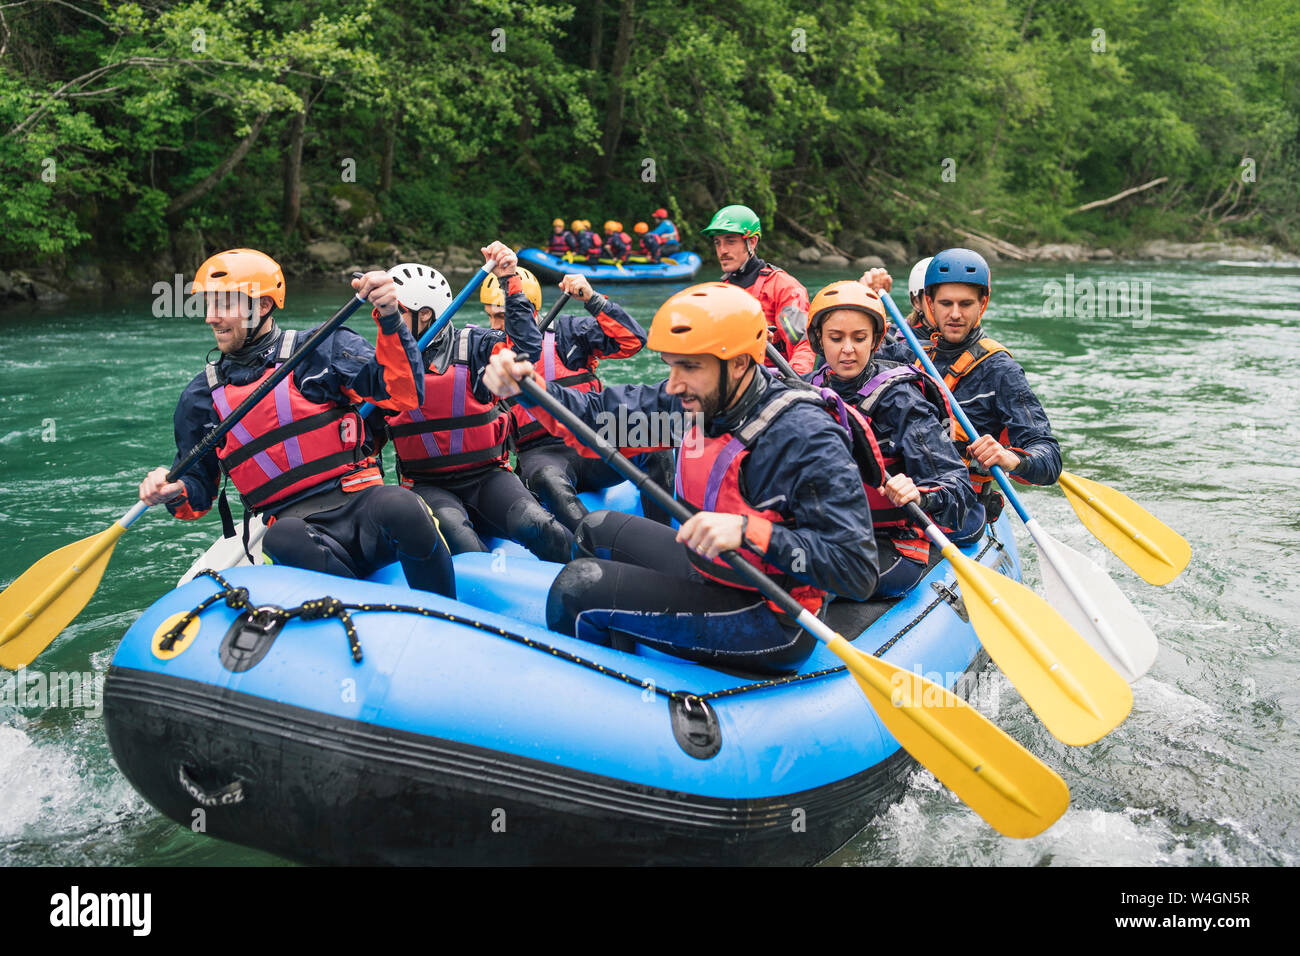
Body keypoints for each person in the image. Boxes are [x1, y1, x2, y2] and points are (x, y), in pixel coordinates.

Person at [481, 282, 878, 676]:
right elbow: (597, 418)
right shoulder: (694, 403)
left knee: (577, 588)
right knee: (595, 528)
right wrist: (528, 388)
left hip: (772, 615)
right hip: (710, 570)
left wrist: (749, 531)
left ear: (739, 363)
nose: (673, 383)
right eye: (672, 364)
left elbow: (856, 570)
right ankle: (626, 658)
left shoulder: (803, 437)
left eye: (690, 366)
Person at [137, 248, 456, 596]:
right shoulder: (201, 398)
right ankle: (364, 615)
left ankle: (447, 615)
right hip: (298, 531)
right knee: (280, 536)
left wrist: (391, 317)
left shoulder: (323, 347)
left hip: (364, 511)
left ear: (261, 306)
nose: (211, 318)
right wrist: (174, 491)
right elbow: (195, 498)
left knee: (403, 504)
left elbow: (404, 394)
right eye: (209, 305)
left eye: (224, 305)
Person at [380, 262, 572, 562]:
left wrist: (510, 280)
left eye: (396, 311)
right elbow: (365, 444)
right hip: (428, 485)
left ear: (425, 313)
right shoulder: (384, 367)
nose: (385, 320)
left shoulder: (477, 347)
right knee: (462, 540)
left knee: (547, 530)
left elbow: (526, 350)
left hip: (488, 478)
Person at [479, 241, 675, 531]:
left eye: (502, 315)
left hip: (593, 439)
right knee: (548, 478)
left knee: (656, 442)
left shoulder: (570, 333)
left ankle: (662, 536)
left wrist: (593, 299)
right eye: (491, 315)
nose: (496, 324)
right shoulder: (484, 350)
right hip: (542, 453)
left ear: (529, 310)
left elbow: (632, 341)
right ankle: (593, 552)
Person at [804, 280, 979, 595]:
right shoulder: (805, 390)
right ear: (818, 339)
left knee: (798, 578)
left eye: (859, 338)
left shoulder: (901, 400)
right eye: (835, 338)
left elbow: (959, 490)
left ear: (875, 340)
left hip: (890, 547)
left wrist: (921, 495)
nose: (847, 349)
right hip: (825, 535)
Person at [918, 248, 1062, 533]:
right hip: (911, 496)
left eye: (966, 304)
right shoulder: (911, 354)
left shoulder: (1001, 371)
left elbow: (1050, 458)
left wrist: (1011, 458)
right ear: (929, 303)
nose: (955, 314)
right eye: (946, 303)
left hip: (962, 509)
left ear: (982, 304)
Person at [701, 203, 815, 375]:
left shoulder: (784, 287)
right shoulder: (719, 293)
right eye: (718, 243)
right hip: (730, 381)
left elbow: (802, 345)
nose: (722, 250)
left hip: (773, 382)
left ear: (752, 242)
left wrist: (794, 384)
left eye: (730, 241)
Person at [876, 256, 938, 364]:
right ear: (916, 302)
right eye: (934, 298)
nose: (954, 313)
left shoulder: (971, 342)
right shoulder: (890, 337)